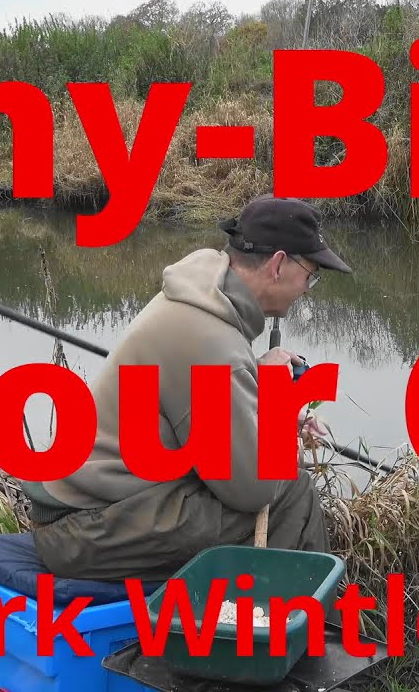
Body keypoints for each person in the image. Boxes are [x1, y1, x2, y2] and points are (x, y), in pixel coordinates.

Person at [24, 194, 353, 583]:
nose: (308, 288)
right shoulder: (210, 340)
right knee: (292, 494)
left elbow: (202, 402)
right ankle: (290, 617)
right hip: (85, 530)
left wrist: (256, 386)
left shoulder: (198, 300)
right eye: (310, 274)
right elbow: (254, 490)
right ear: (278, 265)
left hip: (92, 511)